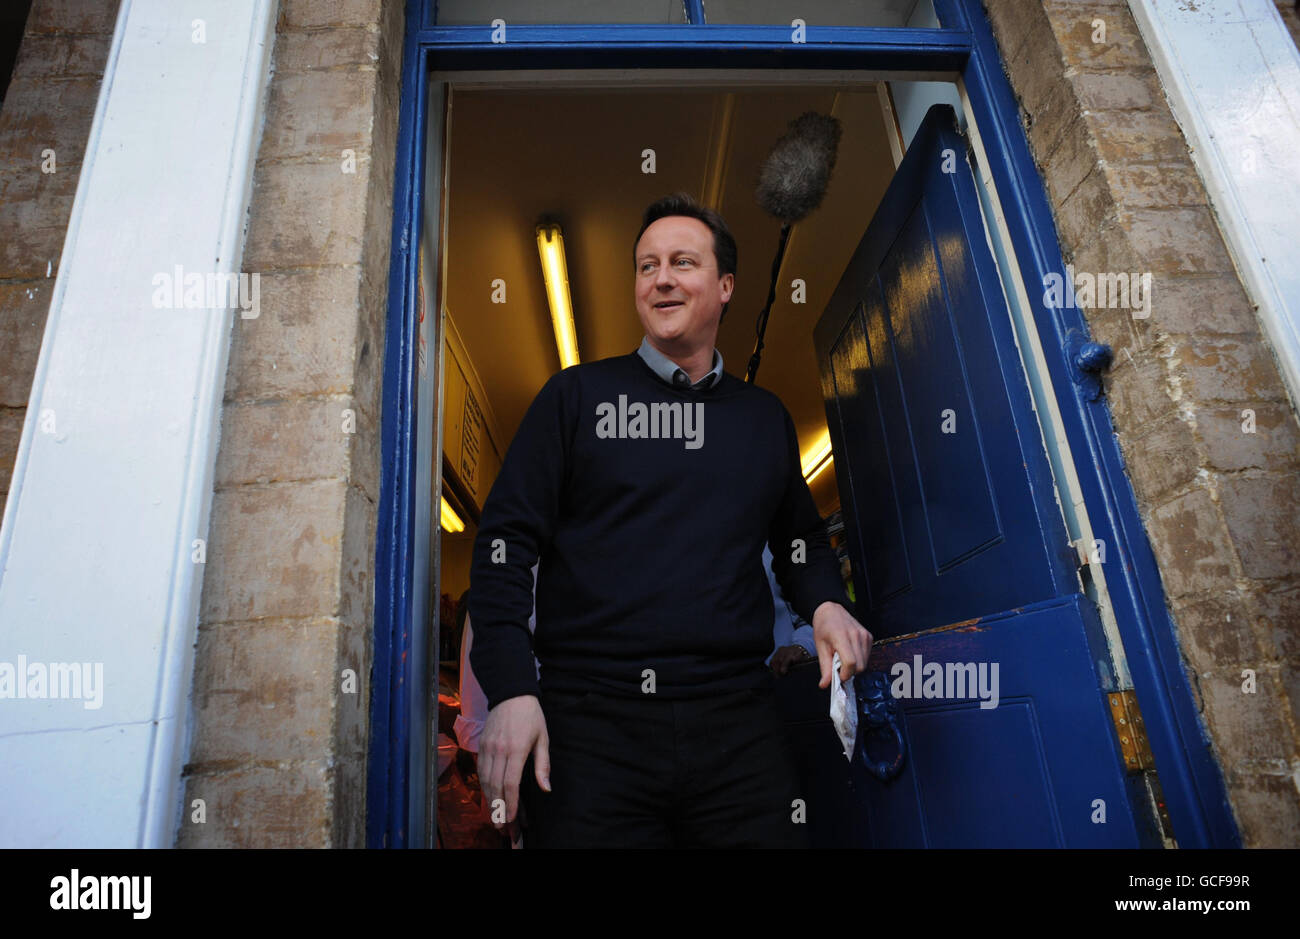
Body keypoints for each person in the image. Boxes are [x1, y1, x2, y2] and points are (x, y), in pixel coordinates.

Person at [468, 192, 873, 847]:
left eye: (682, 262)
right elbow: (503, 546)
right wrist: (512, 690)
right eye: (646, 265)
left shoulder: (764, 418)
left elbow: (798, 539)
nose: (660, 278)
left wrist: (824, 602)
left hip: (739, 729)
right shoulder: (574, 398)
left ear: (726, 285)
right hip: (589, 732)